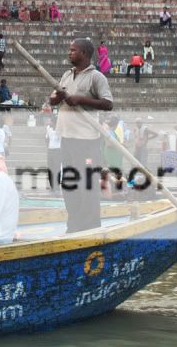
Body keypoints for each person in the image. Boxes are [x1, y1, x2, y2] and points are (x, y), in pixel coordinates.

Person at [49, 38, 114, 233]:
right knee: (69, 183)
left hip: (86, 140)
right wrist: (58, 97)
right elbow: (52, 100)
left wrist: (80, 99)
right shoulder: (66, 75)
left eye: (73, 50)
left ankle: (90, 226)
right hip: (67, 138)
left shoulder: (96, 77)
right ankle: (74, 224)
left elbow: (108, 103)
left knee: (87, 184)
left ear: (84, 54)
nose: (69, 53)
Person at [45, 115, 62, 193]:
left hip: (58, 150)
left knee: (56, 168)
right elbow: (46, 138)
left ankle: (56, 185)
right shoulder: (48, 128)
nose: (50, 123)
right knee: (50, 168)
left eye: (51, 121)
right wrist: (47, 147)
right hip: (50, 150)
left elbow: (61, 139)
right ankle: (52, 185)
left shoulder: (60, 129)